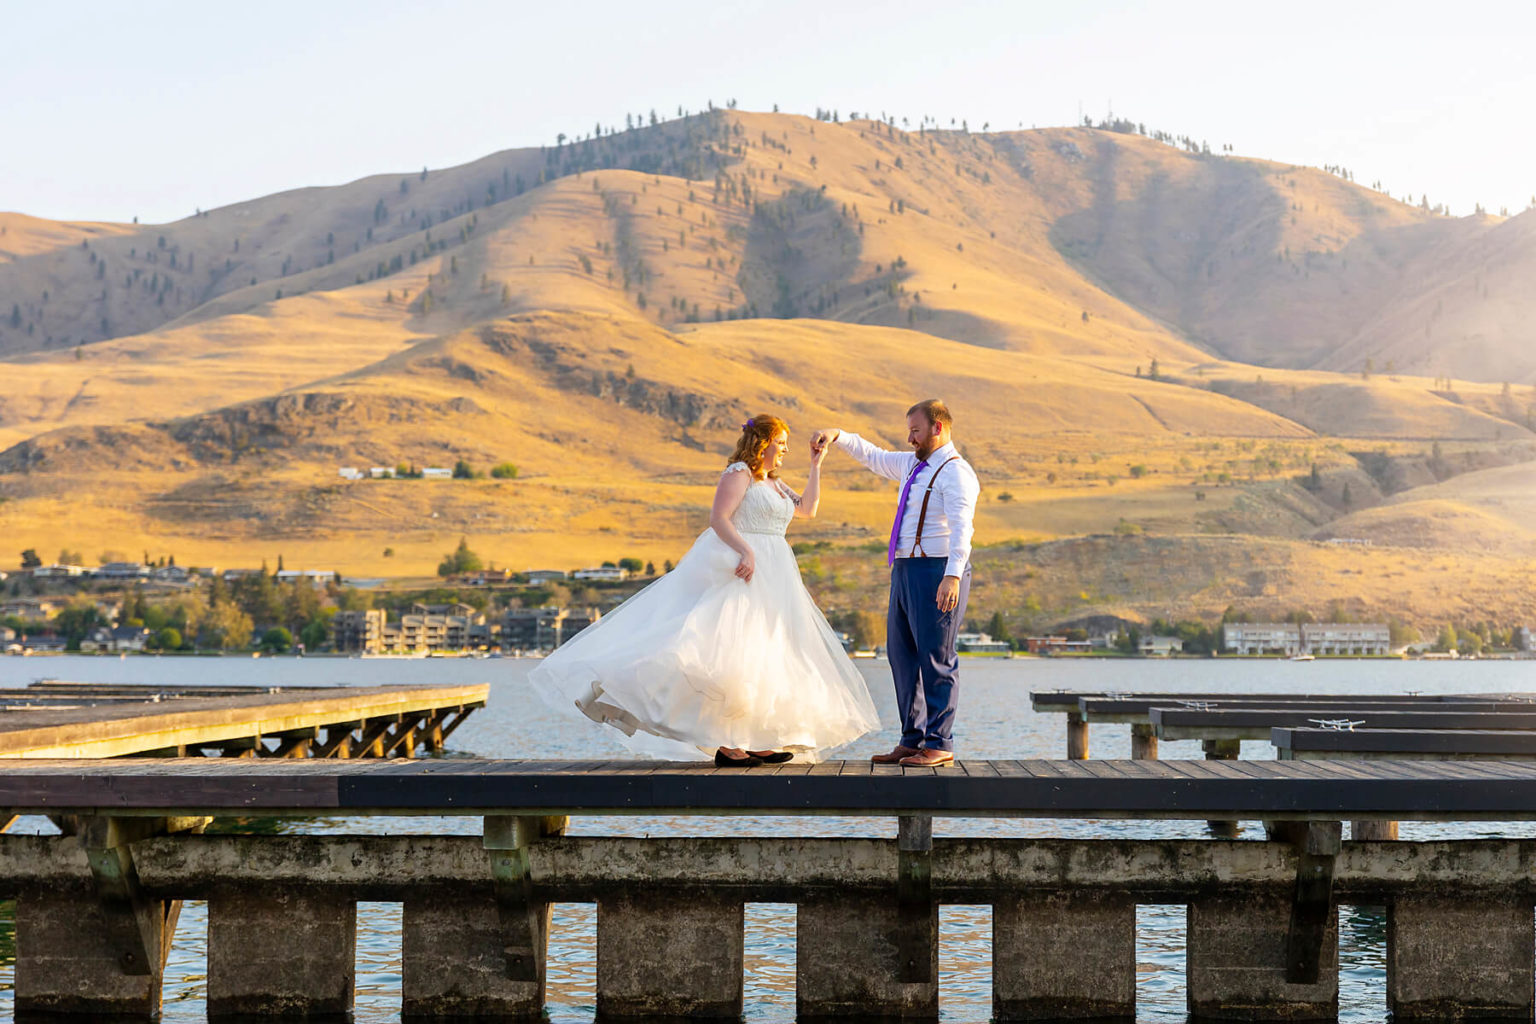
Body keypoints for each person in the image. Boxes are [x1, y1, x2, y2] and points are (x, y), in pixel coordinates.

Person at [529, 415, 880, 766]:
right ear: (764, 442)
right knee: (727, 653)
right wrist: (745, 550)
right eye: (781, 441)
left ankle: (758, 737)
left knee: (764, 654)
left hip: (776, 575)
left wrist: (816, 465)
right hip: (743, 569)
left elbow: (807, 510)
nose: (786, 448)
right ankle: (725, 743)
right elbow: (719, 518)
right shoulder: (740, 473)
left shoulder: (774, 482)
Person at [812, 400, 980, 767]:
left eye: (915, 431)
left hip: (938, 571)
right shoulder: (911, 464)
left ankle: (940, 743)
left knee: (936, 657)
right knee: (901, 656)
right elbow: (873, 456)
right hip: (904, 570)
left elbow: (963, 530)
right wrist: (838, 435)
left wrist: (952, 575)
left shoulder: (956, 473)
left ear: (938, 428)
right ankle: (912, 737)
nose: (909, 438)